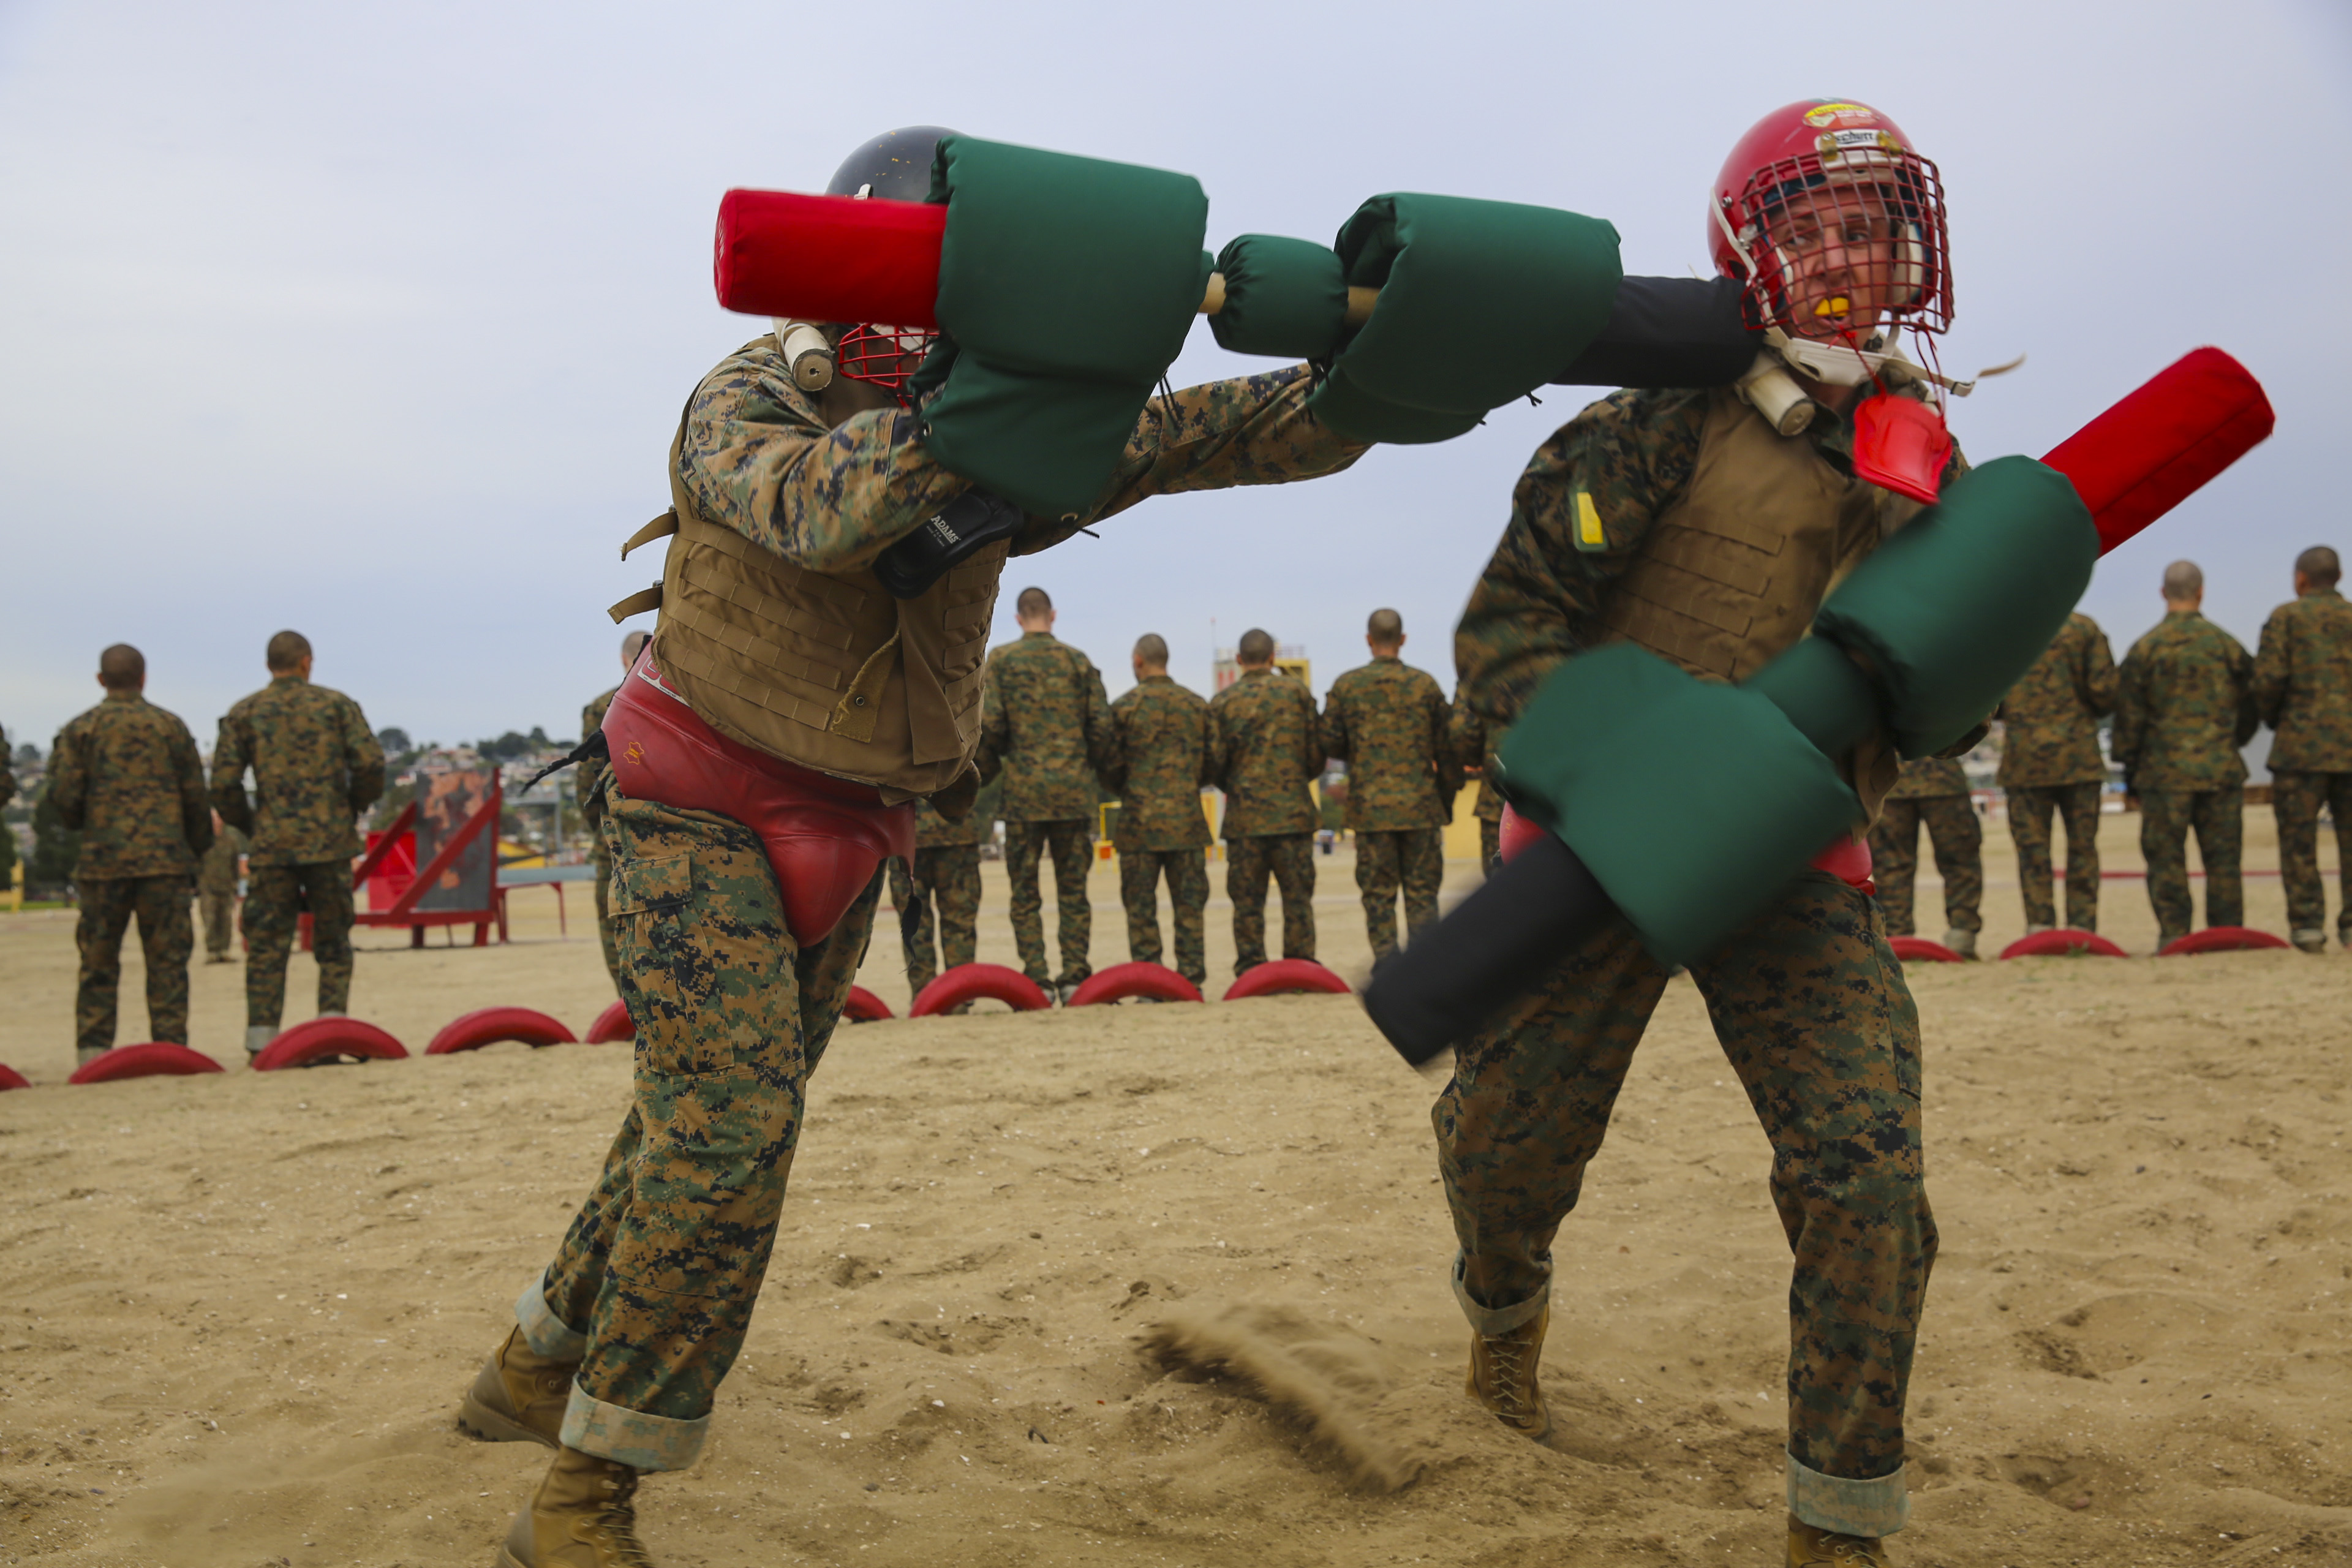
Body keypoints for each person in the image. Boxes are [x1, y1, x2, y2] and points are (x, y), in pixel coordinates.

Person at [454, 126, 1368, 1567]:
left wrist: (1383, 369)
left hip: (857, 822)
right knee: (733, 1129)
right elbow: (816, 511)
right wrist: (999, 412)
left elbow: (1212, 437)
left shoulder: (994, 412)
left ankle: (533, 1357)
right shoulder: (751, 391)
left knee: (703, 1122)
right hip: (692, 805)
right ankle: (585, 1492)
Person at [1436, 100, 1966, 1566]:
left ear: (1908, 245)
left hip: (1794, 858)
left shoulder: (1925, 457)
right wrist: (1627, 766)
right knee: (1507, 1151)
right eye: (1811, 226)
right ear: (1753, 248)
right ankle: (1502, 1308)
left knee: (1867, 1179)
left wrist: (1949, 617)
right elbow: (1506, 633)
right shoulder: (1651, 425)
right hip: (1595, 843)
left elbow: (1944, 707)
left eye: (1868, 223)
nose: (1845, 254)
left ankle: (1835, 1521)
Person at [211, 631, 386, 1055]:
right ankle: (331, 1031)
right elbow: (370, 764)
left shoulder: (245, 713)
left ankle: (262, 1039)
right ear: (307, 662)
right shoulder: (336, 706)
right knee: (333, 941)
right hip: (329, 842)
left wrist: (253, 825)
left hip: (273, 846)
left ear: (270, 665)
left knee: (268, 943)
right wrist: (351, 808)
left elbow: (223, 784)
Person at [48, 644, 213, 1066]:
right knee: (168, 962)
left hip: (103, 864)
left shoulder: (80, 730)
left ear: (101, 680)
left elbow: (65, 799)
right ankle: (171, 1049)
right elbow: (196, 797)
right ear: (143, 678)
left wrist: (86, 826)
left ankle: (93, 1051)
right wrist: (197, 849)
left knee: (98, 962)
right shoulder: (169, 728)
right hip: (165, 863)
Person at [2113, 561, 2260, 948]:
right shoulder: (2227, 646)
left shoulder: (2145, 650)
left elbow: (2129, 718)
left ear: (2164, 594)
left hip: (2163, 774)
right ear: (2201, 591)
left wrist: (2130, 769)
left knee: (2166, 861)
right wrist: (2231, 742)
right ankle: (2227, 933)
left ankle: (2174, 934)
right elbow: (2252, 705)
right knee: (2224, 860)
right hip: (2220, 770)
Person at [978, 588, 1112, 1001]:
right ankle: (1074, 976)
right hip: (1072, 793)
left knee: (1025, 893)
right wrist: (1086, 765)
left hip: (1023, 796)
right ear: (1052, 615)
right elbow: (1102, 728)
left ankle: (1036, 977)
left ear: (1019, 619)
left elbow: (992, 725)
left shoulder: (1001, 661)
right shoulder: (1077, 662)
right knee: (1073, 892)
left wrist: (1005, 761)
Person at [1321, 608, 1458, 957]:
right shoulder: (1425, 685)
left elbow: (1331, 743)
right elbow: (1448, 747)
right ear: (1403, 639)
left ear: (1369, 640)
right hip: (1421, 807)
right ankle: (1423, 966)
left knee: (1378, 894)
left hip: (1371, 811)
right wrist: (1445, 800)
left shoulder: (1347, 686)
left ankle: (1385, 963)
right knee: (1422, 893)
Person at [2252, 546, 2352, 954]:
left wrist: (2277, 719)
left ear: (2301, 580)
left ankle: (2307, 925)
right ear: (2339, 577)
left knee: (2298, 842)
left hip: (2300, 750)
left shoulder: (2286, 619)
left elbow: (2268, 682)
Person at [1102, 632, 1215, 987]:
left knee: (1140, 910)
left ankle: (1150, 981)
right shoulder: (1196, 706)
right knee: (1190, 907)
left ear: (1138, 661)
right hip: (1187, 821)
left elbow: (1108, 764)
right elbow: (1214, 762)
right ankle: (1192, 978)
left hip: (1139, 823)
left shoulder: (1123, 708)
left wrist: (1131, 788)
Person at [1995, 612, 2119, 933]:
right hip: (2077, 757)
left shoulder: (2003, 631)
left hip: (2024, 760)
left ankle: (2040, 926)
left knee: (2032, 852)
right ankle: (2082, 924)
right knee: (2083, 848)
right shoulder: (2084, 629)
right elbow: (2105, 692)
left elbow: (1988, 699)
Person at [1209, 628, 1323, 976]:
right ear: (1274, 658)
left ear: (1240, 660)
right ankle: (1300, 965)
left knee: (1247, 902)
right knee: (1298, 899)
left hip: (1245, 819)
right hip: (1293, 816)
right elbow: (1317, 754)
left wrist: (1238, 785)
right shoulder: (1297, 695)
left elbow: (1215, 763)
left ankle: (1251, 967)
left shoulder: (1224, 703)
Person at [581, 630, 651, 993]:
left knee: (616, 928)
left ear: (625, 660)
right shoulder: (689, 699)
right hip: (684, 833)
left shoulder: (604, 706)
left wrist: (597, 828)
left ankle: (632, 1007)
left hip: (617, 834)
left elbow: (587, 780)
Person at [1867, 758, 1983, 957]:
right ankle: (1962, 932)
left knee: (1891, 864)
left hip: (1889, 778)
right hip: (1942, 776)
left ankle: (1898, 936)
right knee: (1959, 859)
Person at [886, 796, 984, 1002]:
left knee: (914, 925)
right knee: (959, 920)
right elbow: (984, 767)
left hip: (904, 829)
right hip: (955, 826)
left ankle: (925, 998)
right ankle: (959, 995)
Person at [1449, 684, 1508, 878]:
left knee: (1501, 883)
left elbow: (1461, 730)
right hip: (1565, 798)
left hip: (1499, 796)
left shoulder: (1482, 670)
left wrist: (1479, 761)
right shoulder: (1573, 662)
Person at [196, 812, 247, 963]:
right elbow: (195, 863)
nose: (216, 822)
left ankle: (224, 951)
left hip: (227, 886)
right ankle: (213, 951)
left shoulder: (231, 841)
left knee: (226, 921)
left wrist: (236, 882)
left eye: (218, 819)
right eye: (212, 819)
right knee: (210, 920)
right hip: (207, 887)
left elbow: (235, 863)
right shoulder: (202, 841)